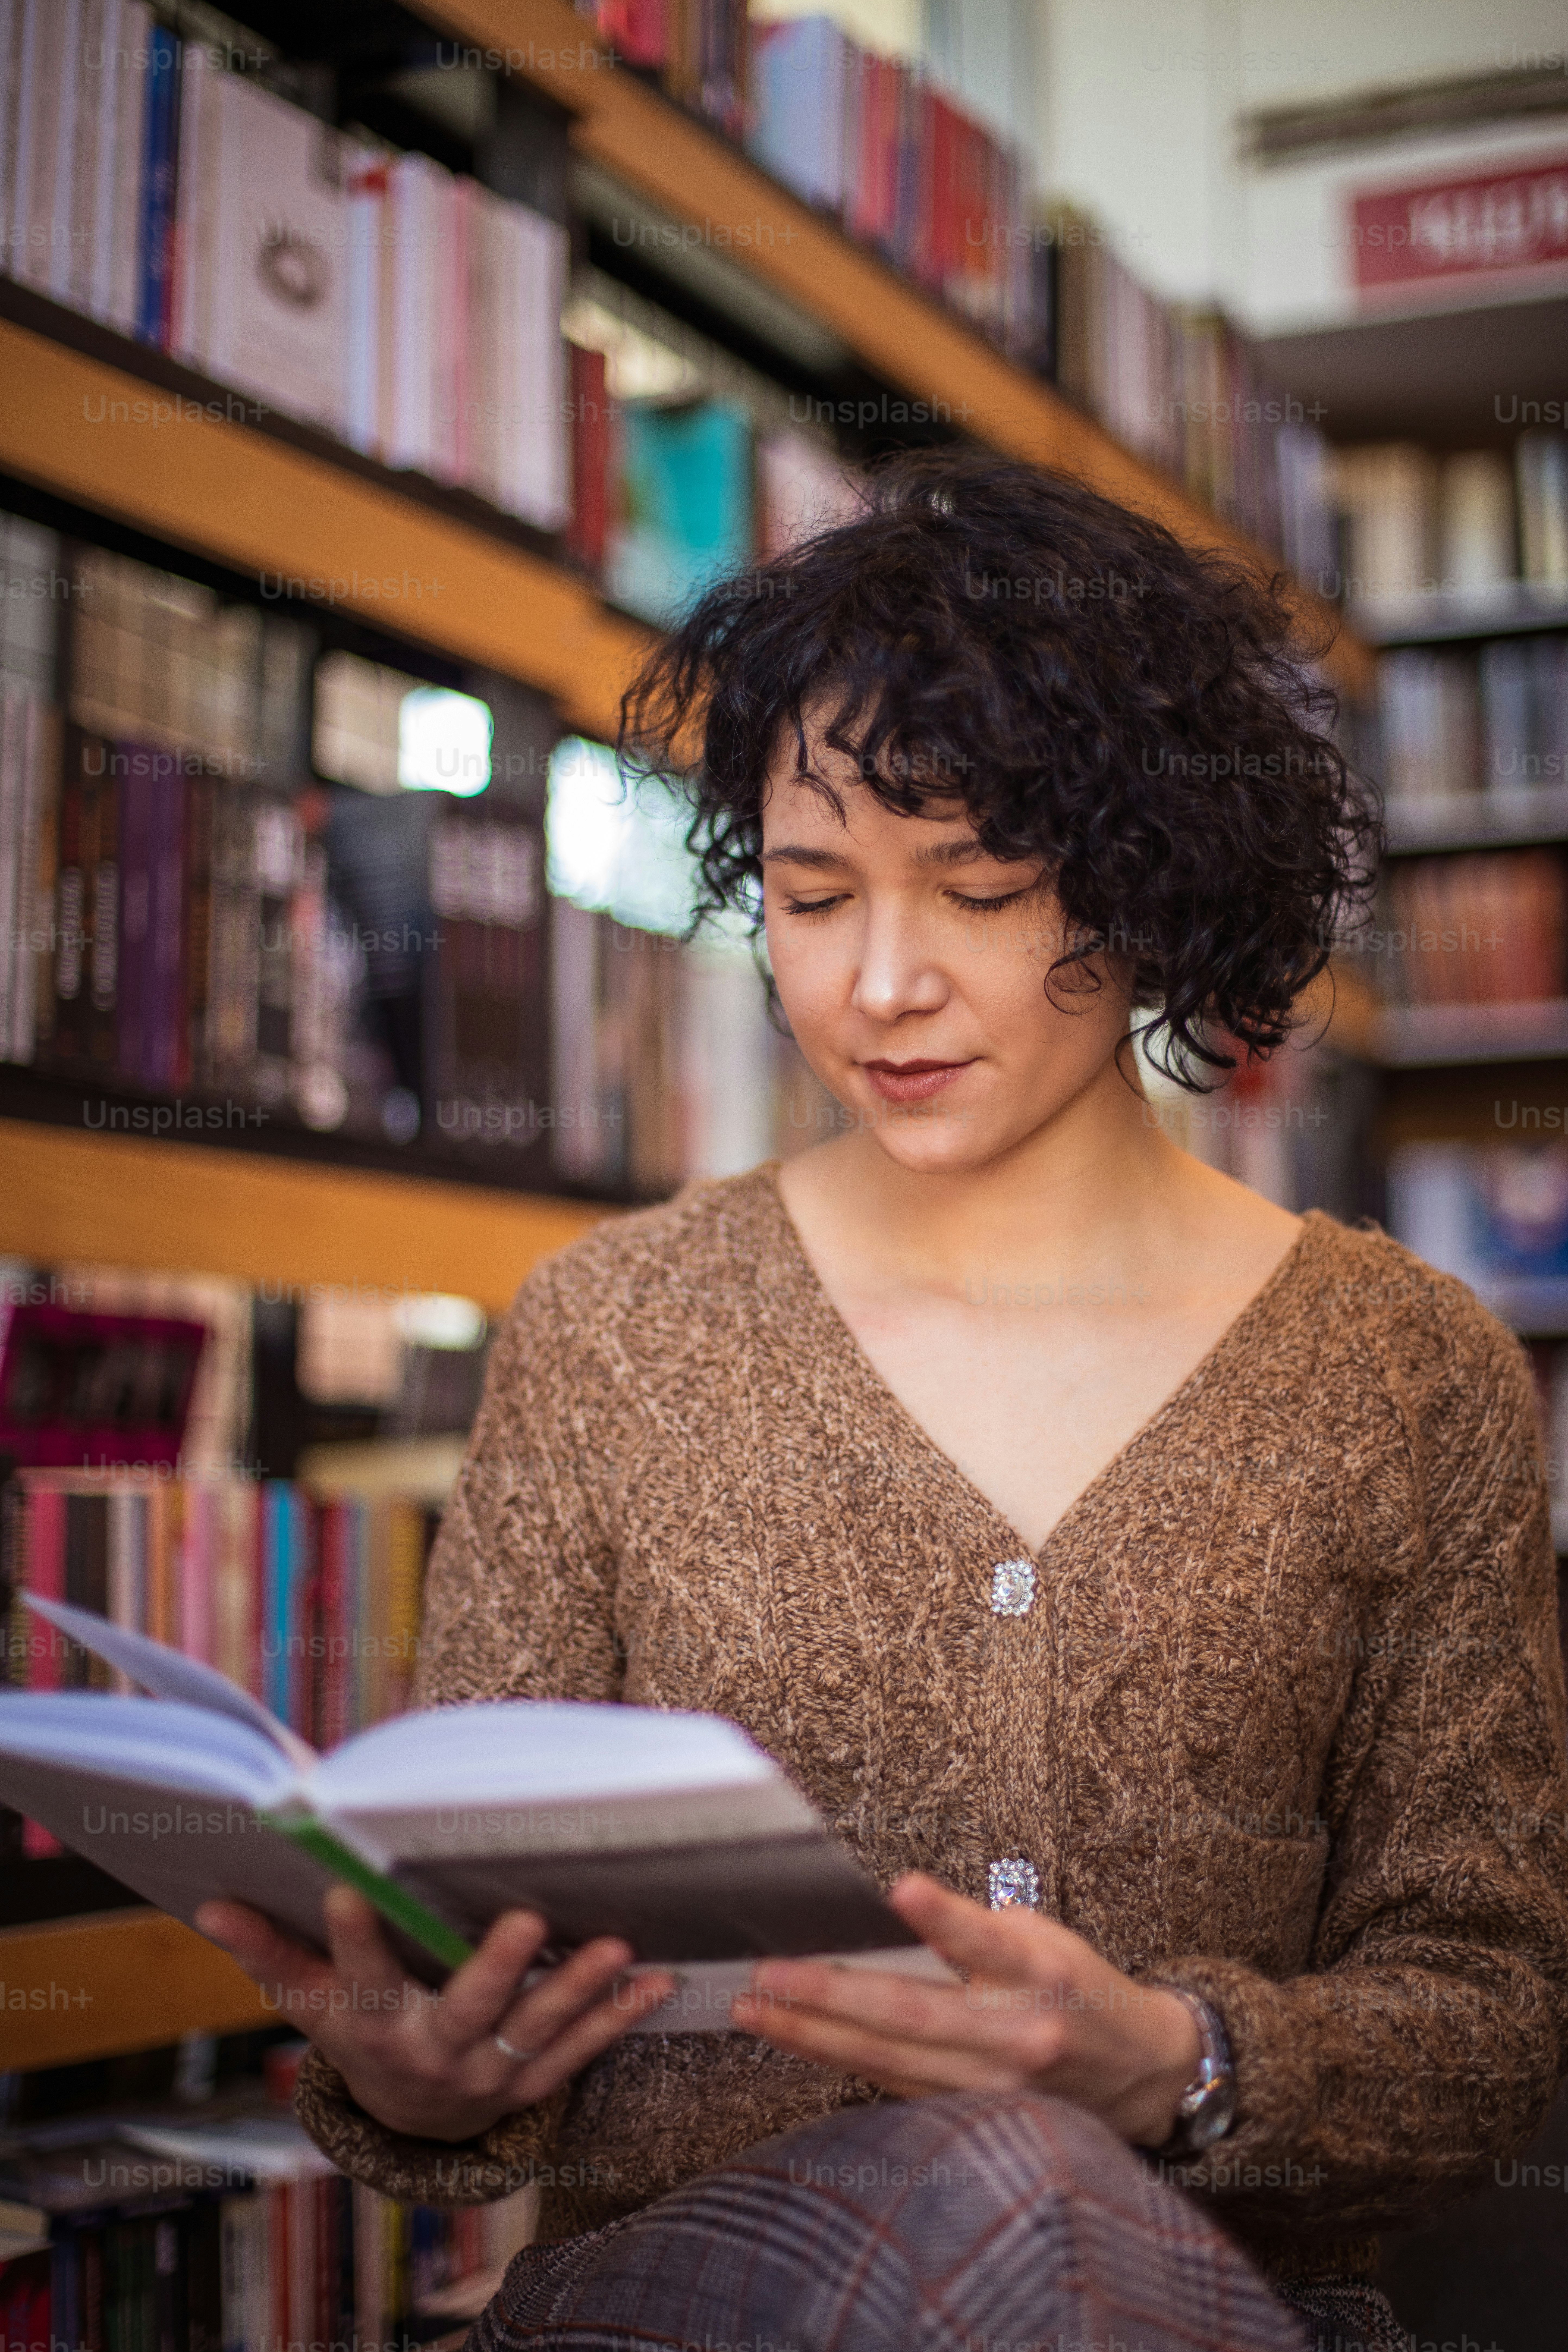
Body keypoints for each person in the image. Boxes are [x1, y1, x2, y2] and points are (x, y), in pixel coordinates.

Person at [201, 453, 1568, 2352]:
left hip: (1215, 2309)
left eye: (981, 887)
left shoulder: (1403, 1372)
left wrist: (1168, 2057)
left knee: (1025, 2207)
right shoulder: (615, 1332)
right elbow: (473, 1921)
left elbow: (1493, 2016)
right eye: (814, 893)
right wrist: (424, 2075)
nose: (881, 984)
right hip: (677, 2309)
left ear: (1153, 878)